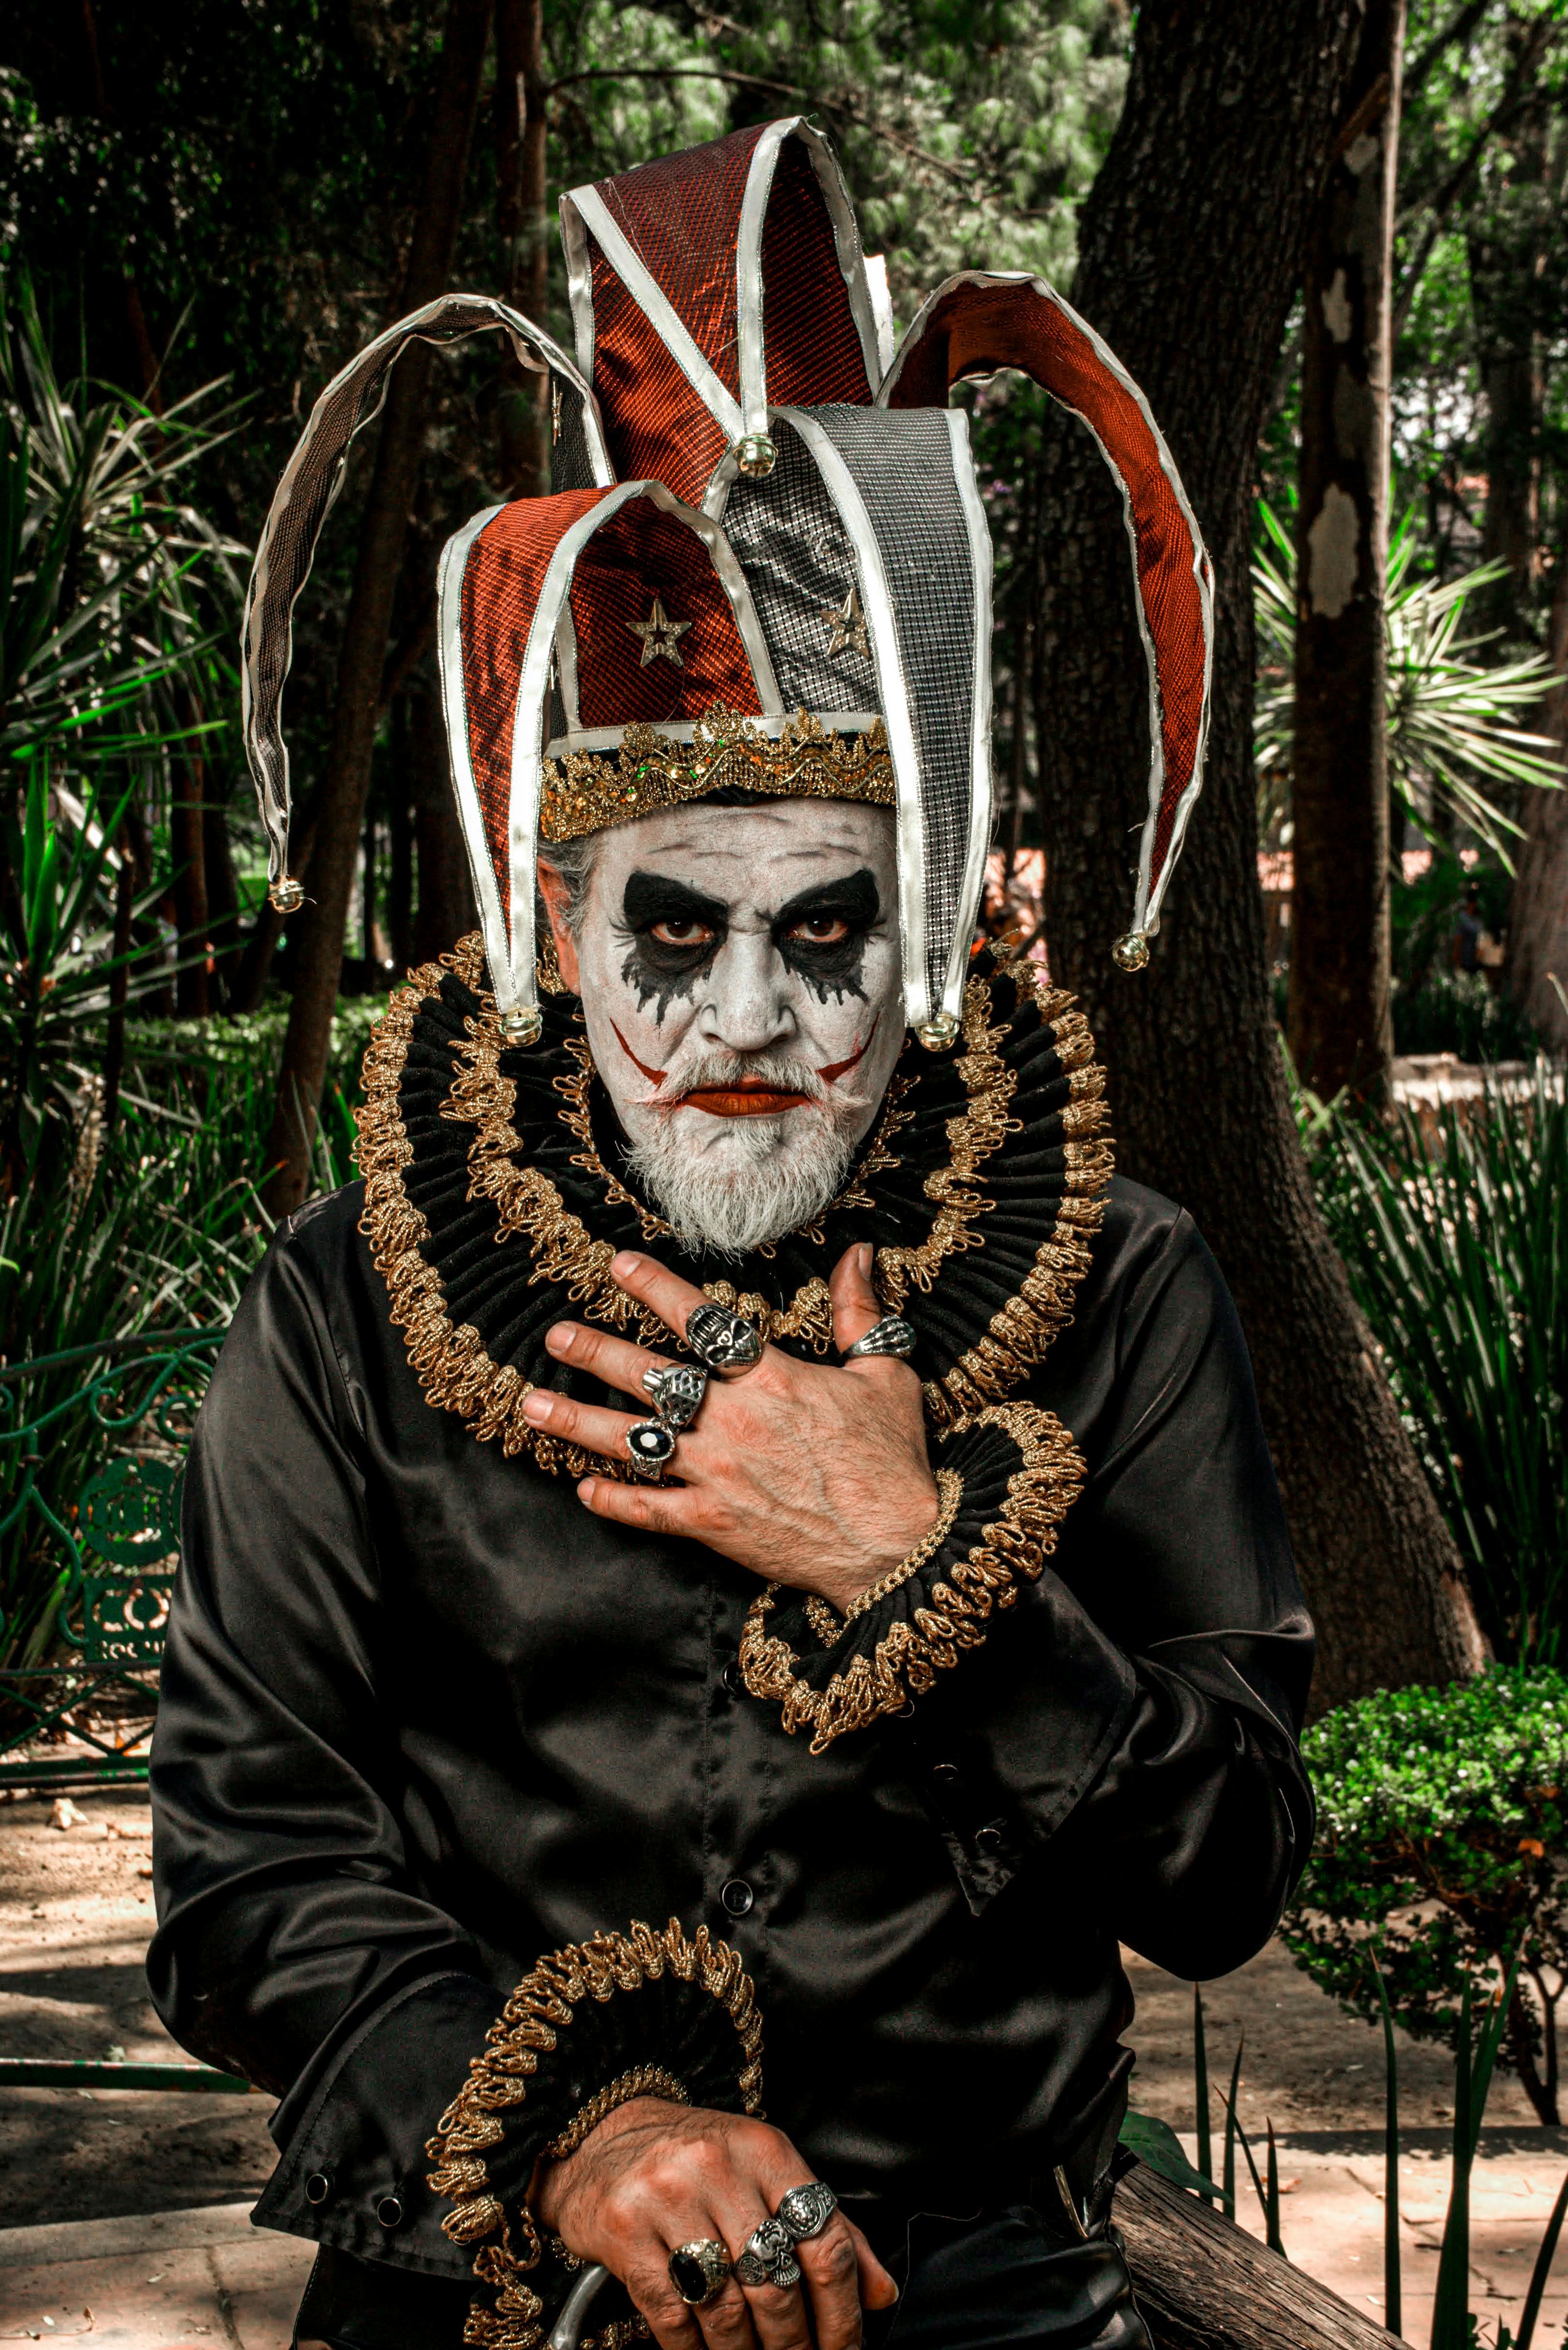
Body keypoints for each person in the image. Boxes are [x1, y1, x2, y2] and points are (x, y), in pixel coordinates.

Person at [149, 120, 1313, 2350]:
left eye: (829, 928)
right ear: (550, 930)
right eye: (672, 928)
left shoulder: (1128, 1273)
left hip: (983, 2300)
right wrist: (576, 2136)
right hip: (473, 2291)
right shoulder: (343, 1304)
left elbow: (1230, 1865)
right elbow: (242, 1869)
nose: (754, 1020)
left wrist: (929, 1574)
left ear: (940, 936)